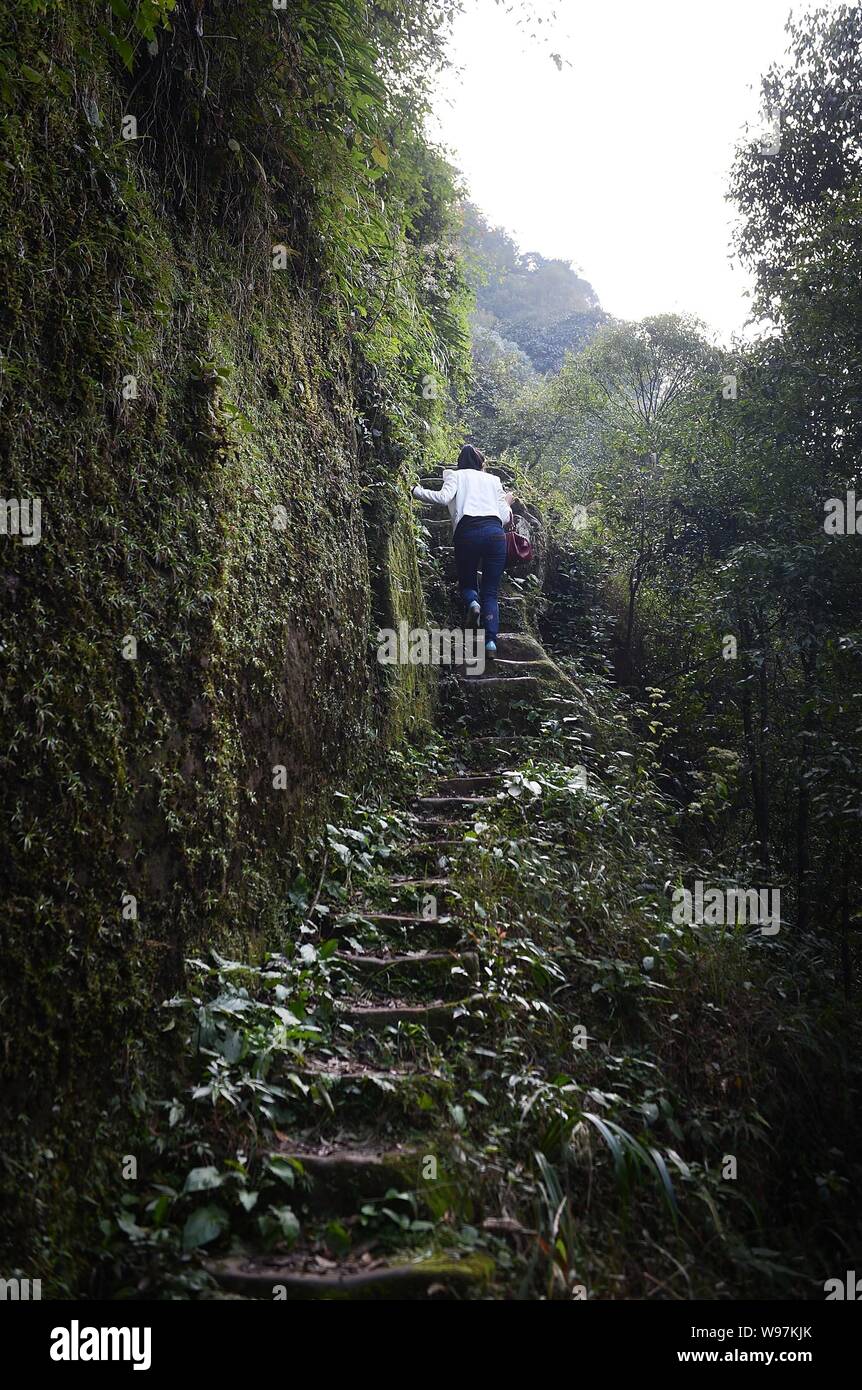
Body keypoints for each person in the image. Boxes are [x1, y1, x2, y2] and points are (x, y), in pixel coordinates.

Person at [412, 444, 514, 660]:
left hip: (467, 533)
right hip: (495, 534)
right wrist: (507, 503)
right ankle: (491, 643)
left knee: (468, 583)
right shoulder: (494, 481)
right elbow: (505, 517)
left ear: (460, 462)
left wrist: (414, 490)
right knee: (491, 591)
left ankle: (472, 603)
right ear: (481, 463)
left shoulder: (455, 475)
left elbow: (442, 498)